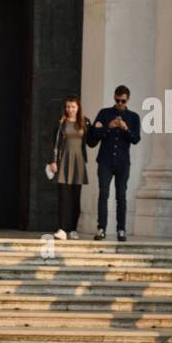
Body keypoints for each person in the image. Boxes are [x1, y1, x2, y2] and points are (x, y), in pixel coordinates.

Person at [87, 85, 141, 241]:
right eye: (118, 100)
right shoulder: (104, 113)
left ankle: (121, 230)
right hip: (105, 160)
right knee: (103, 194)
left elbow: (136, 139)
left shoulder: (133, 117)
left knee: (121, 196)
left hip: (123, 163)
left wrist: (126, 129)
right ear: (114, 98)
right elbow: (93, 135)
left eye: (123, 101)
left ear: (128, 99)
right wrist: (107, 127)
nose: (120, 103)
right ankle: (101, 228)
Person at [46, 95, 91, 240]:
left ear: (78, 108)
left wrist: (99, 129)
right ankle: (62, 229)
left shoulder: (84, 123)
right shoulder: (61, 123)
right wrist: (53, 161)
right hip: (64, 161)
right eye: (68, 107)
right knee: (63, 197)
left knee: (75, 198)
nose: (70, 109)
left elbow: (90, 141)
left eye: (73, 107)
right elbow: (55, 144)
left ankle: (73, 229)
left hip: (78, 163)